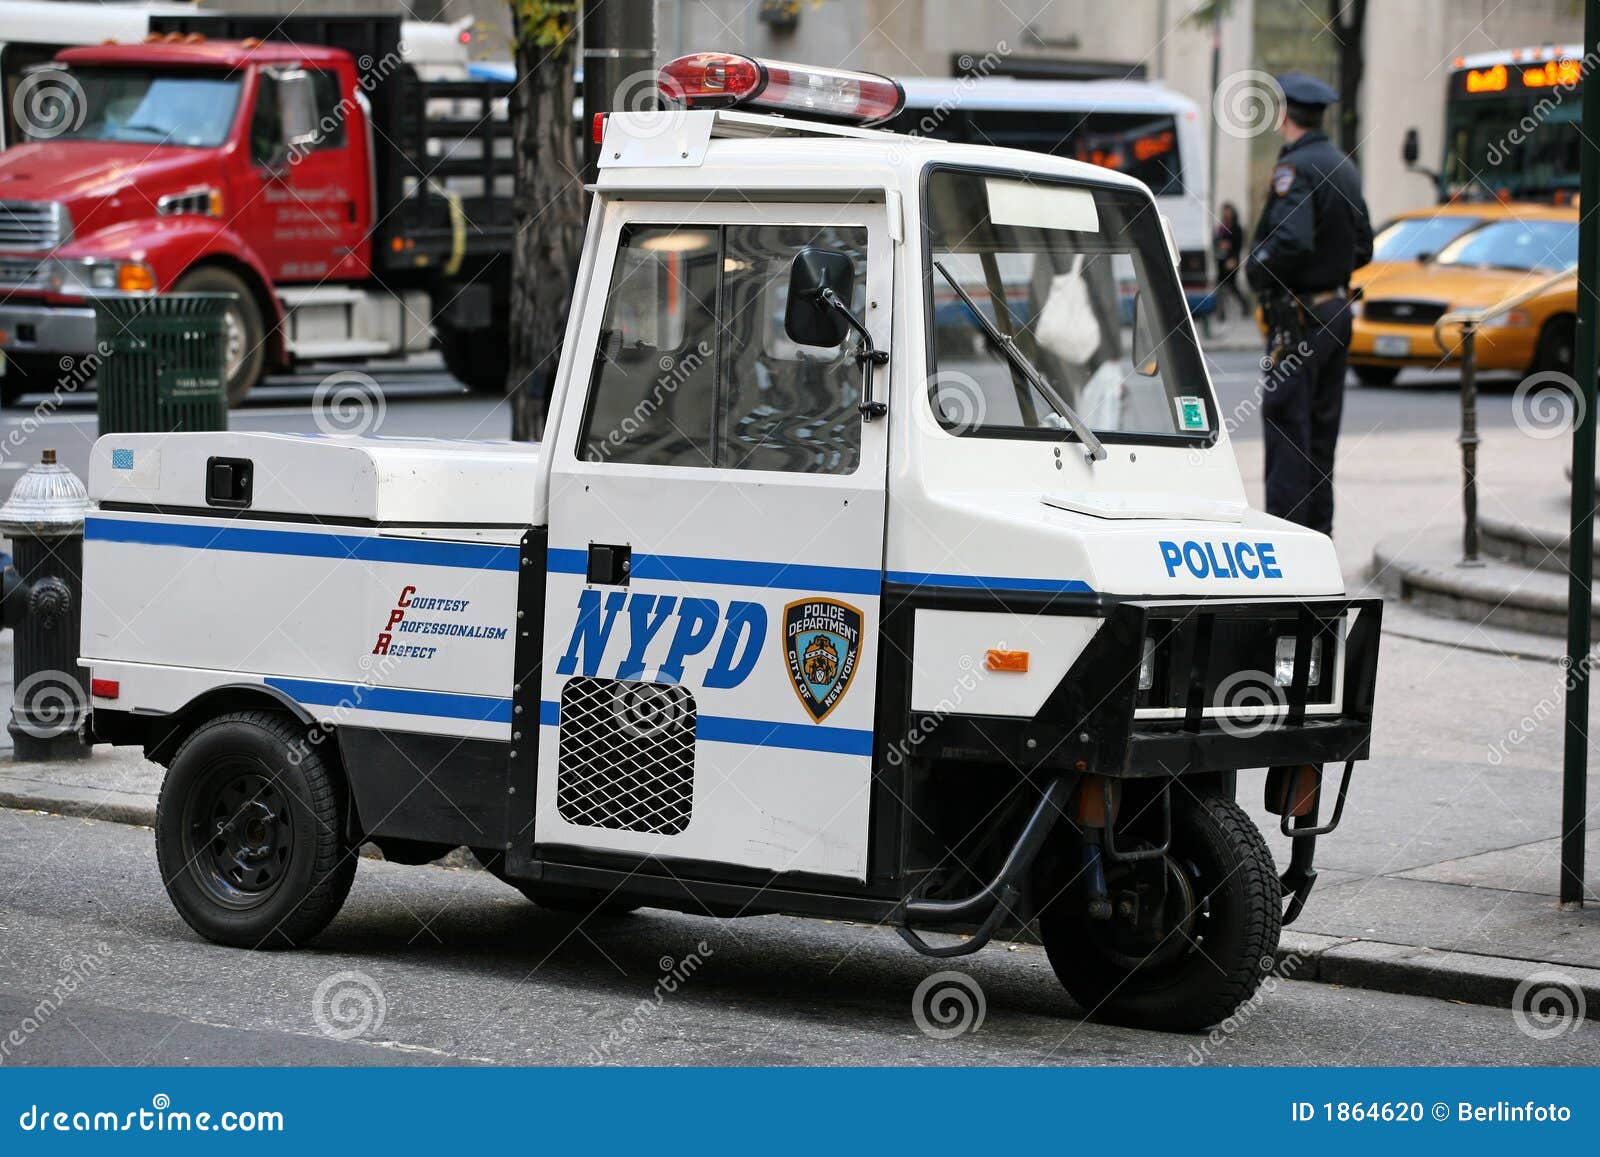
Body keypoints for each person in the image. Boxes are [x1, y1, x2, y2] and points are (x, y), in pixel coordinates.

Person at [1245, 72, 1373, 536]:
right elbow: (1364, 246)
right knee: (1320, 440)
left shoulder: (1295, 167)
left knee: (1287, 436)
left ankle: (1288, 553)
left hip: (1298, 319)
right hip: (1336, 312)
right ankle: (1320, 544)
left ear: (1283, 114)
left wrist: (1255, 270)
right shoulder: (1344, 166)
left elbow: (1291, 241)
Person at [1212, 202, 1250, 321]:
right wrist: (1221, 245)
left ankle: (1245, 306)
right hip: (1221, 261)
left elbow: (1238, 246)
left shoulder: (1237, 228)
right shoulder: (1222, 228)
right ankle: (1221, 312)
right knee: (1220, 286)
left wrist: (1232, 258)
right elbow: (1216, 242)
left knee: (1233, 286)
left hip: (1232, 261)